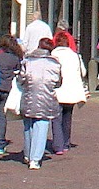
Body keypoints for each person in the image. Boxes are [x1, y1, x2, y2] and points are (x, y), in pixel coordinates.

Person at [16, 36, 63, 169]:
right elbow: (58, 82)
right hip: (46, 99)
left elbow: (21, 79)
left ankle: (27, 154)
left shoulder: (28, 61)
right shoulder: (55, 64)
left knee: (28, 127)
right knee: (41, 127)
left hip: (29, 97)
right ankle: (35, 159)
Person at [50, 28, 88, 152]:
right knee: (67, 117)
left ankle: (58, 145)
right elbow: (83, 72)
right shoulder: (75, 55)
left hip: (58, 90)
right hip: (71, 91)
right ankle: (66, 143)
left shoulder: (53, 55)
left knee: (56, 118)